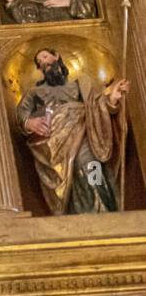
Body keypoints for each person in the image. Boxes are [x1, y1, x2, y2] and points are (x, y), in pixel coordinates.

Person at [15, 49, 129, 215]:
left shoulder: (79, 85)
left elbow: (97, 107)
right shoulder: (34, 92)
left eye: (45, 57)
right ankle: (80, 217)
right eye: (40, 63)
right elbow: (20, 114)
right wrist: (29, 122)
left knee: (91, 168)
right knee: (72, 179)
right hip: (54, 144)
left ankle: (102, 213)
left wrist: (112, 98)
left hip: (84, 135)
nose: (44, 63)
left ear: (57, 57)